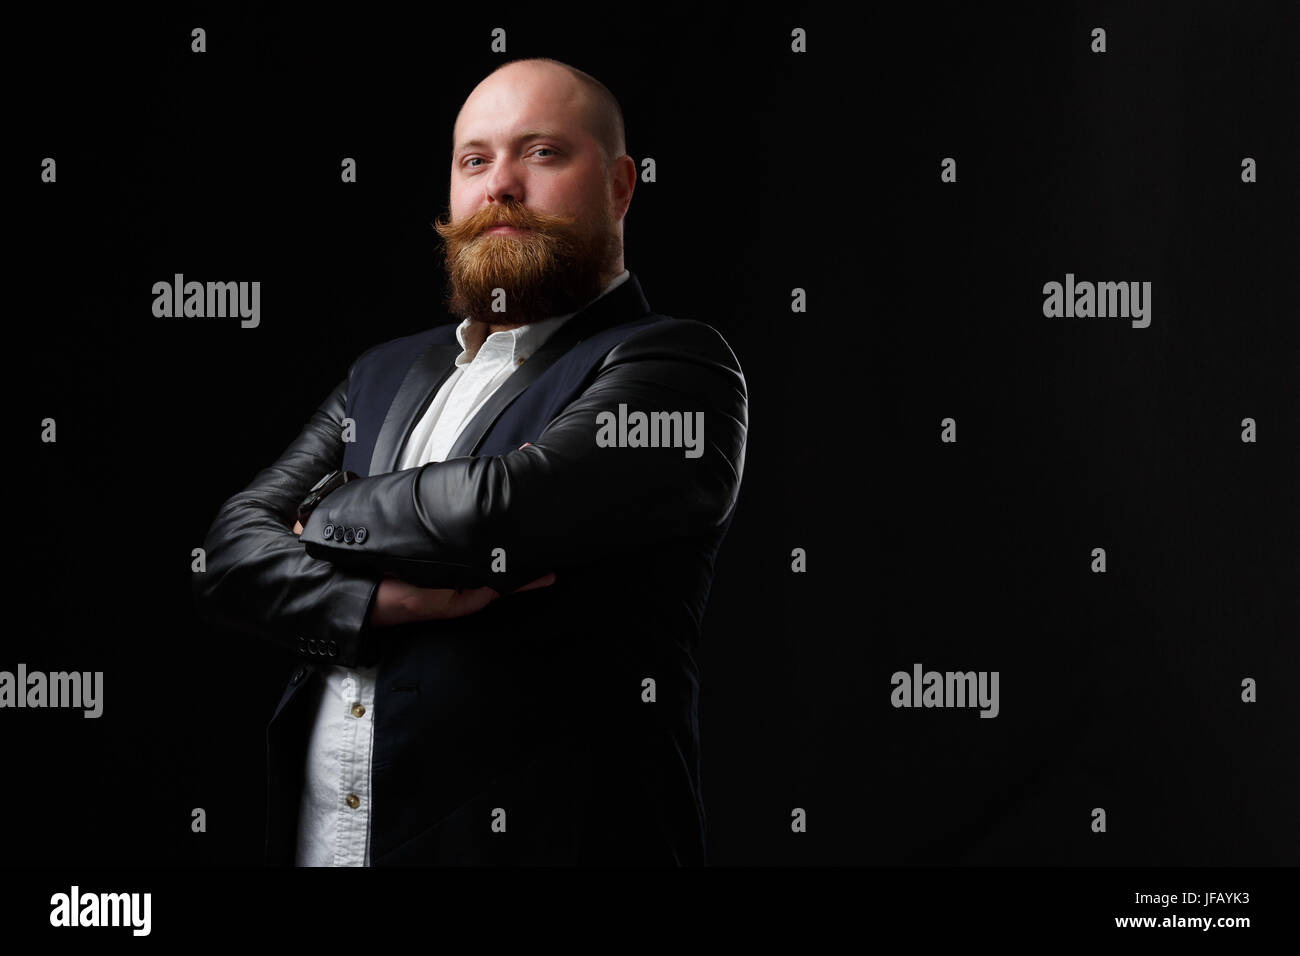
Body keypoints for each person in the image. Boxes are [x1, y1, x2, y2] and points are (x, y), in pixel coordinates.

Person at [192, 56, 748, 866]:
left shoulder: (677, 367)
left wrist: (322, 512)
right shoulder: (382, 371)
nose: (501, 187)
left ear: (621, 186)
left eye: (543, 153)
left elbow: (502, 509)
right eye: (475, 160)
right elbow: (229, 555)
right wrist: (381, 602)